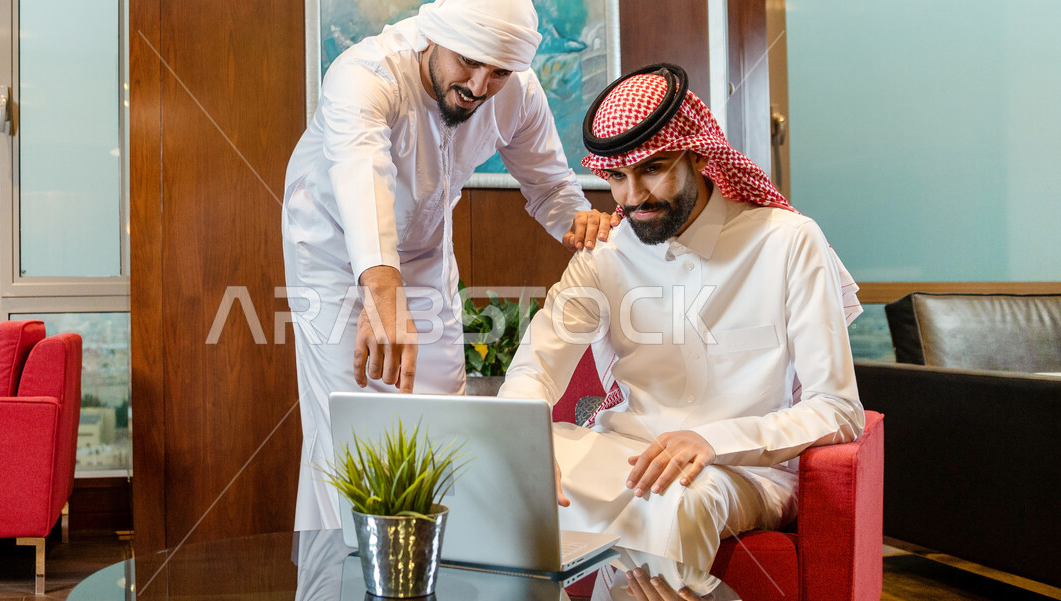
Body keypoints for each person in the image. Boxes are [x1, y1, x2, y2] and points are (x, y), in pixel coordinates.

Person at [499, 63, 865, 572]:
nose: (632, 198)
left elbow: (837, 410)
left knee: (681, 498)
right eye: (616, 178)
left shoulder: (787, 241)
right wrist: (523, 446)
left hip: (736, 468)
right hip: (621, 452)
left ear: (697, 155)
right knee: (496, 476)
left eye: (652, 169)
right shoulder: (605, 254)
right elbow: (536, 366)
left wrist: (713, 441)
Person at [282, 0, 616, 531]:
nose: (481, 85)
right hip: (332, 247)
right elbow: (361, 177)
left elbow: (550, 185)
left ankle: (443, 568)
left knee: (442, 410)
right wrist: (381, 295)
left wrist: (580, 221)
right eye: (467, 62)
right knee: (350, 421)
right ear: (433, 38)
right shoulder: (364, 76)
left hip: (426, 245)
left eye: (499, 71)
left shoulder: (519, 92)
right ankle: (343, 584)